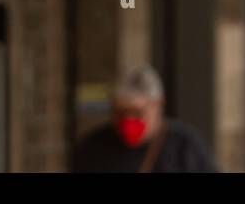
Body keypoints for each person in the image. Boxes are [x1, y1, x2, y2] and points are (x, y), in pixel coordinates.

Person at [72, 65, 217, 172]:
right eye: (120, 113)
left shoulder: (186, 148)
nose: (128, 120)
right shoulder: (93, 148)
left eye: (137, 113)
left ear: (158, 104)